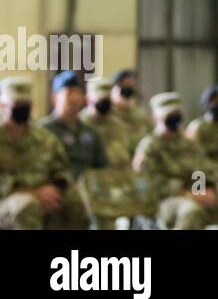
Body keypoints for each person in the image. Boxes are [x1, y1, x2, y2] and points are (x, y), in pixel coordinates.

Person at [134, 92, 218, 229]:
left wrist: (202, 191)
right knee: (192, 211)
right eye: (169, 114)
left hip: (196, 195)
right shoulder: (149, 146)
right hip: (164, 202)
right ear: (155, 116)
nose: (173, 117)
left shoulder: (189, 144)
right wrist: (188, 194)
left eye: (176, 113)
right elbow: (147, 183)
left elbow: (203, 169)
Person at [0, 77, 88, 229]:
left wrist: (55, 190)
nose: (22, 109)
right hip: (7, 200)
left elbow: (63, 169)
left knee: (76, 200)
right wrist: (33, 193)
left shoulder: (45, 138)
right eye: (17, 105)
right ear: (2, 105)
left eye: (25, 105)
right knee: (27, 206)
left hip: (45, 195)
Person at [37, 71, 107, 180]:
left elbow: (102, 166)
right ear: (55, 98)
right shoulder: (43, 131)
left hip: (89, 188)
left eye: (78, 93)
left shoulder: (90, 131)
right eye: (69, 93)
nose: (74, 98)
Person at [185, 85, 218, 194]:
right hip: (211, 174)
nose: (217, 104)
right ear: (206, 104)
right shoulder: (198, 127)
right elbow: (195, 159)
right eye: (213, 101)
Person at [81, 77, 133, 168]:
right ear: (89, 99)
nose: (105, 104)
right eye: (101, 100)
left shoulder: (118, 126)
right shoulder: (80, 124)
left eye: (108, 100)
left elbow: (123, 158)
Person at [111, 68, 151, 156]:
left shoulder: (140, 115)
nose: (127, 93)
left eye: (131, 88)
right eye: (124, 87)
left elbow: (150, 137)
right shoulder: (107, 114)